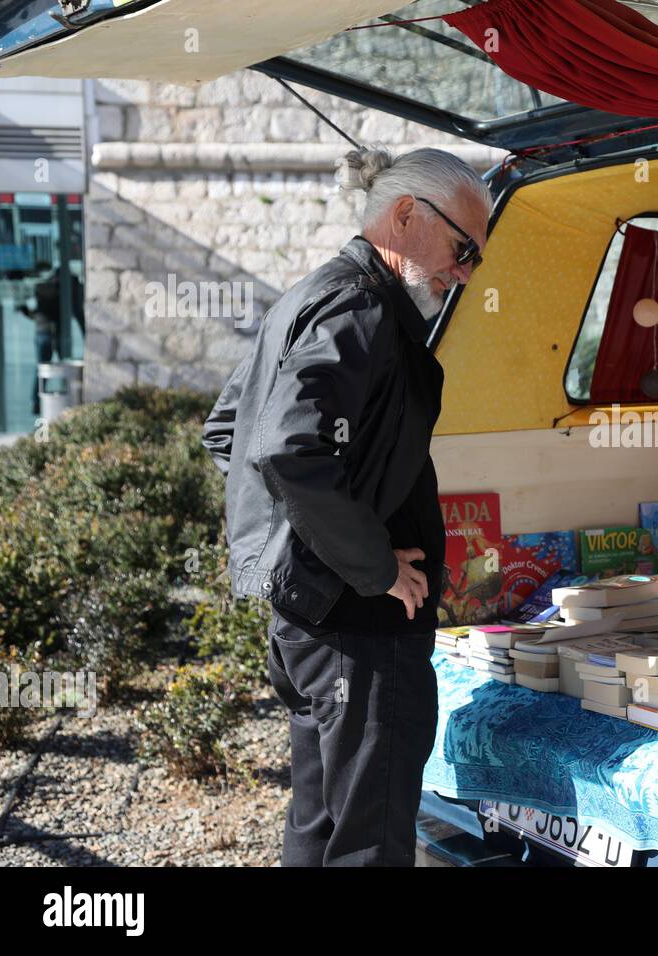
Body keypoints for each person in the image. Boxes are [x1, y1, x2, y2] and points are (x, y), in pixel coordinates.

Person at [201, 146, 491, 866]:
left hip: (313, 618)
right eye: (464, 250)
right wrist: (368, 565)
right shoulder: (360, 306)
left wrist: (296, 548)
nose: (463, 273)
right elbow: (285, 451)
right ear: (404, 216)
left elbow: (230, 433)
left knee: (323, 824)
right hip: (357, 625)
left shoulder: (316, 293)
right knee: (369, 838)